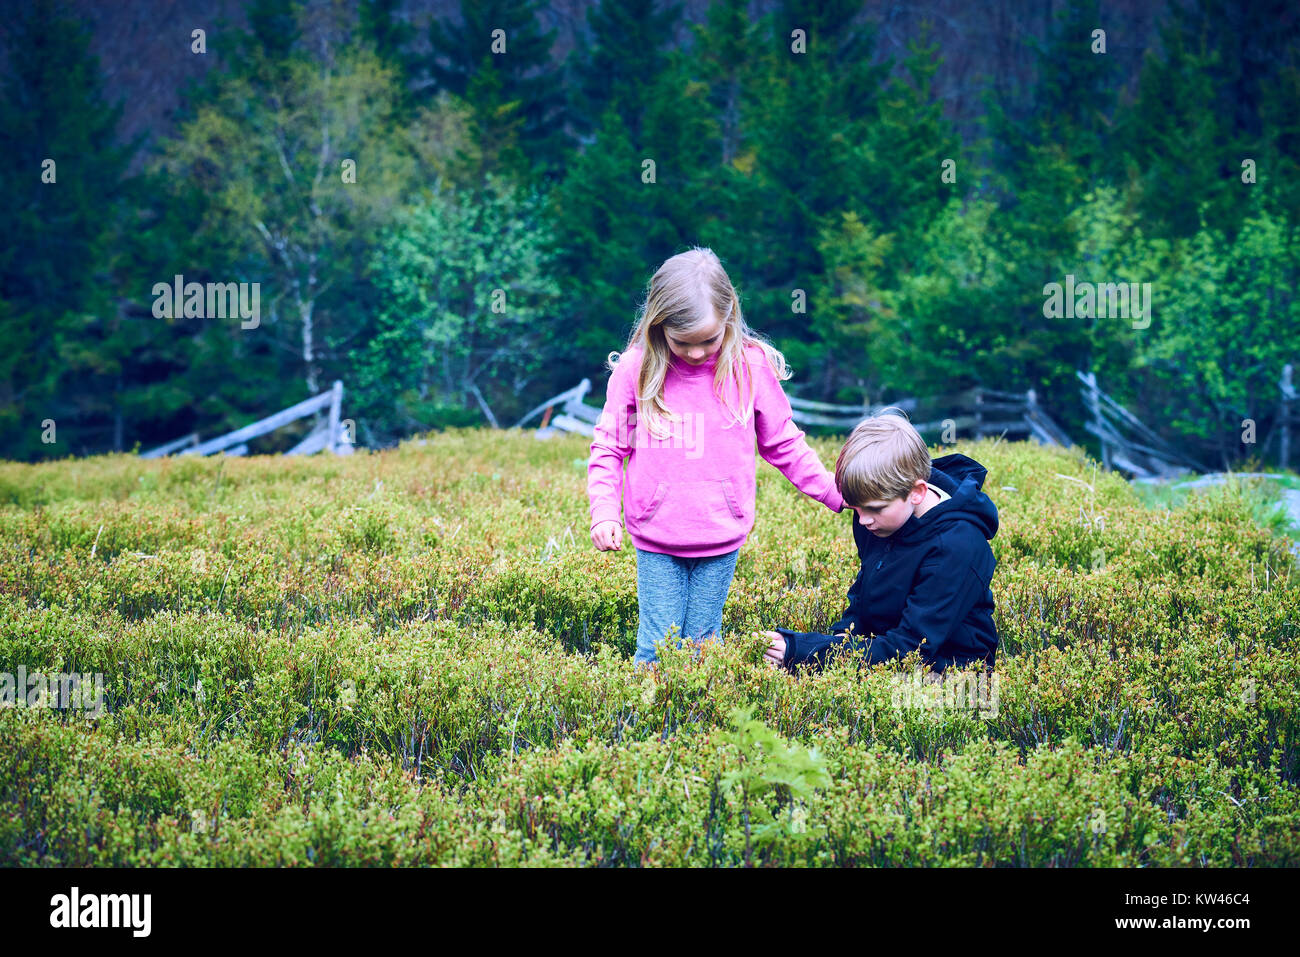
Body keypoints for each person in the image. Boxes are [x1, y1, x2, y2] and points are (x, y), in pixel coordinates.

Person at [588, 247, 845, 668]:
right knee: (656, 649)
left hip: (721, 534)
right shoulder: (635, 369)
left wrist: (836, 492)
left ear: (729, 318)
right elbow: (609, 447)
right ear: (658, 326)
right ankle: (644, 732)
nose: (694, 353)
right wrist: (603, 513)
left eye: (709, 339)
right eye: (681, 342)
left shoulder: (751, 366)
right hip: (657, 537)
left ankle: (699, 729)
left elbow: (784, 444)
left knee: (704, 645)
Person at [756, 409, 999, 675]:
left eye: (874, 509)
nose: (863, 521)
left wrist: (806, 652)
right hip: (883, 652)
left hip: (955, 675)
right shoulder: (879, 518)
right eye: (856, 508)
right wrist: (836, 641)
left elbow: (911, 650)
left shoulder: (957, 546)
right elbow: (861, 600)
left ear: (917, 492)